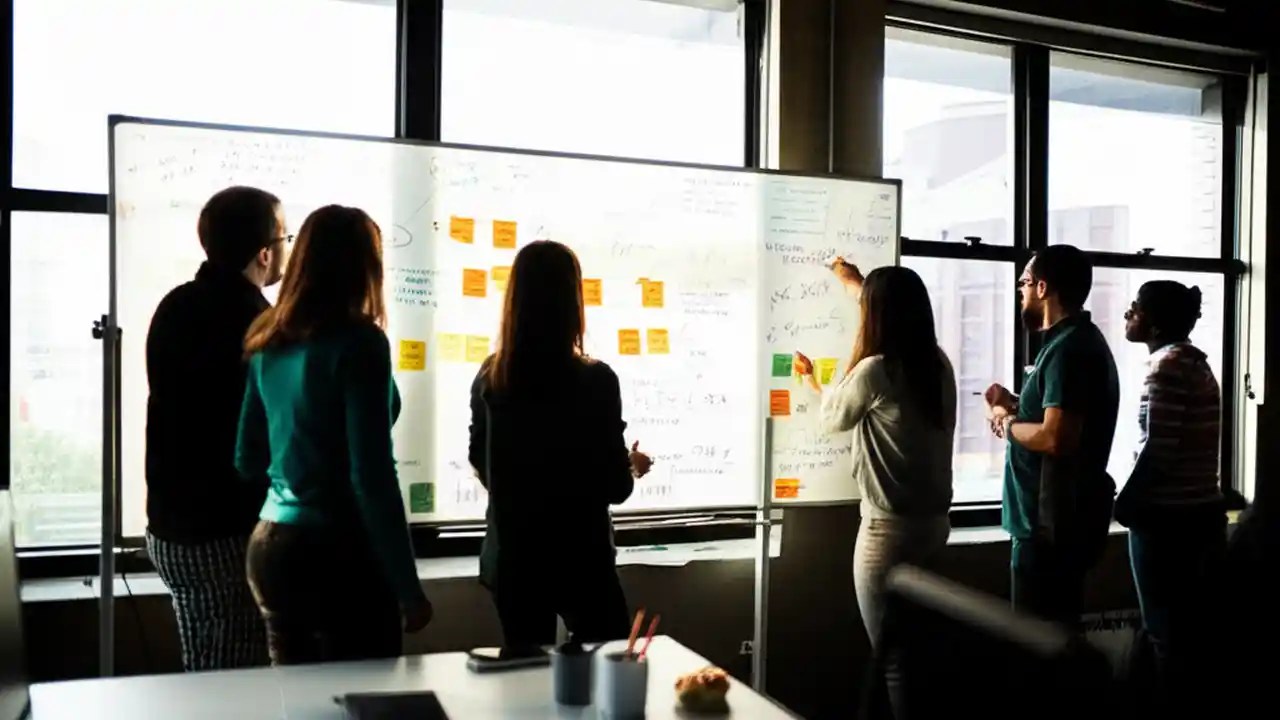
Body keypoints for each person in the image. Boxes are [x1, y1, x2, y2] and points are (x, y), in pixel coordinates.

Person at [236, 205, 431, 665]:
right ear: (366, 267)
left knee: (295, 695)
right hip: (340, 552)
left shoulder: (267, 338)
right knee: (365, 692)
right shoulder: (362, 343)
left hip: (271, 547)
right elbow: (372, 476)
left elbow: (247, 457)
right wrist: (408, 588)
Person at [468, 240, 653, 649]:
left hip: (512, 559)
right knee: (605, 670)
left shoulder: (491, 376)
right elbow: (615, 487)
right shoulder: (595, 380)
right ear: (572, 301)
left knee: (524, 674)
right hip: (581, 560)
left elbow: (481, 461)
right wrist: (630, 464)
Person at [144, 186, 288, 671]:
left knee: (206, 663)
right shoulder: (258, 324)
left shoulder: (175, 305)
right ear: (264, 253)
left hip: (170, 523)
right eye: (285, 238)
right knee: (232, 675)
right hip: (222, 530)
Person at [794, 260, 957, 647]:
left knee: (892, 654)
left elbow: (833, 418)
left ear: (875, 315)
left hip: (889, 533)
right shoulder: (938, 365)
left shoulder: (874, 371)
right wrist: (857, 285)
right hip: (934, 528)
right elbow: (891, 308)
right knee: (921, 648)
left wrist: (812, 382)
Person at [985, 244, 1119, 626]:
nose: (1020, 290)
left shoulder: (1069, 350)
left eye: (1024, 282)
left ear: (1042, 287)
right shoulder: (1069, 344)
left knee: (1037, 643)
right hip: (1049, 526)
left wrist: (1006, 424)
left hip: (1047, 531)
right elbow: (1055, 416)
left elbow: (1056, 438)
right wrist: (1014, 403)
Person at [1115, 281, 1224, 701]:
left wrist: (1125, 503)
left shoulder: (1165, 368)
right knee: (1188, 633)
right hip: (1200, 514)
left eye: (1135, 308)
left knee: (1165, 634)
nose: (1128, 314)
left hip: (1167, 520)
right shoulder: (1195, 363)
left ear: (1155, 323)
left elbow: (1158, 450)